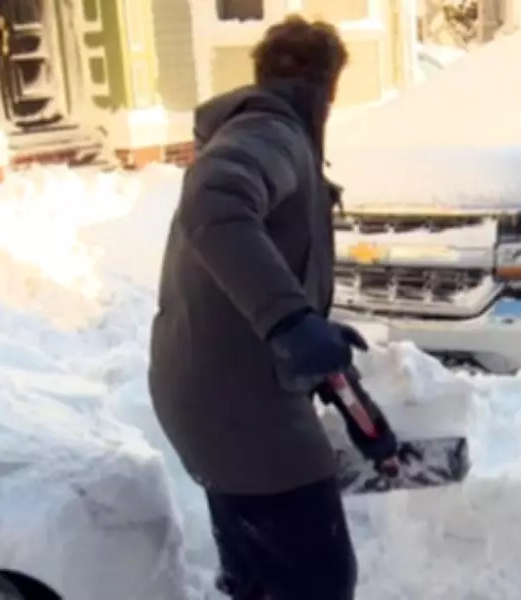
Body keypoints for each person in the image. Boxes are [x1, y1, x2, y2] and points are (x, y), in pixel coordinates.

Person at [148, 15, 398, 600]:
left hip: (214, 399)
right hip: (244, 412)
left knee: (262, 579)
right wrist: (289, 319)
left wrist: (311, 333)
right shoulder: (274, 134)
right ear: (327, 94)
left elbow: (261, 278)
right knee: (318, 581)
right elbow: (214, 202)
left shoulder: (260, 130)